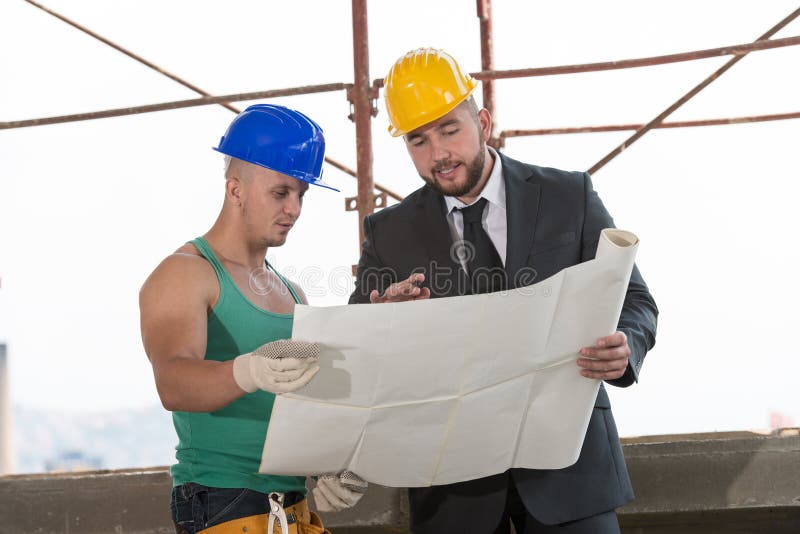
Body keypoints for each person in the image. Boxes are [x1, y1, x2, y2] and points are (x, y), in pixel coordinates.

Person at [349, 48, 658, 534]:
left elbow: (635, 300)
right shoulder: (389, 233)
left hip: (570, 471)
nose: (438, 155)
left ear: (483, 122)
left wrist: (626, 345)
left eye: (450, 129)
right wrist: (386, 320)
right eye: (418, 141)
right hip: (451, 486)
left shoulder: (568, 195)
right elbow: (358, 343)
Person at [140, 104, 365, 534]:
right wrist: (249, 370)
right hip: (225, 501)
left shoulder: (292, 292)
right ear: (235, 189)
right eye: (281, 193)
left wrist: (331, 465)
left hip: (293, 508)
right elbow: (172, 381)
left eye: (302, 194)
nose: (295, 208)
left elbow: (295, 408)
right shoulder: (186, 273)